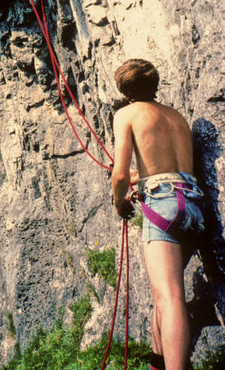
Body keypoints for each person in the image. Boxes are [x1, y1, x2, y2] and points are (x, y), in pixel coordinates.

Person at [111, 59, 205, 370]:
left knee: (170, 298)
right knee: (164, 291)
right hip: (191, 205)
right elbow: (169, 167)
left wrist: (119, 201)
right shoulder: (176, 116)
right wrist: (144, 177)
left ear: (125, 91)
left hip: (163, 206)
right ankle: (157, 361)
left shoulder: (127, 114)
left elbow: (120, 174)